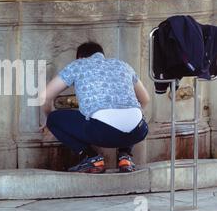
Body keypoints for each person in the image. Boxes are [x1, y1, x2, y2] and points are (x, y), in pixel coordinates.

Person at [40, 42, 150, 173]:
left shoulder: (78, 65)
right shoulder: (123, 65)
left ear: (80, 57)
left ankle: (91, 158)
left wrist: (48, 119)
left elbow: (44, 96)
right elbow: (145, 100)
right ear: (102, 55)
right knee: (131, 111)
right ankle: (125, 157)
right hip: (139, 131)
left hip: (102, 132)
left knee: (54, 119)